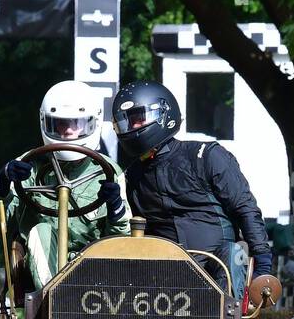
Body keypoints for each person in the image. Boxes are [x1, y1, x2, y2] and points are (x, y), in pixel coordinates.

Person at [113, 81, 271, 298]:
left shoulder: (206, 155)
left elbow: (245, 208)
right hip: (161, 273)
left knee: (234, 253)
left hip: (217, 268)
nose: (134, 127)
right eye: (129, 122)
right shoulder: (132, 176)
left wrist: (263, 266)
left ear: (164, 113)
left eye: (139, 119)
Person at [0, 80, 130, 292]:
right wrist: (1, 184)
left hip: (95, 272)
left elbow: (121, 242)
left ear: (93, 122)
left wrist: (115, 207)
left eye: (76, 123)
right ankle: (55, 299)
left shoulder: (110, 172)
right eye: (60, 124)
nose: (68, 131)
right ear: (46, 123)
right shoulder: (27, 166)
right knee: (40, 230)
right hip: (39, 272)